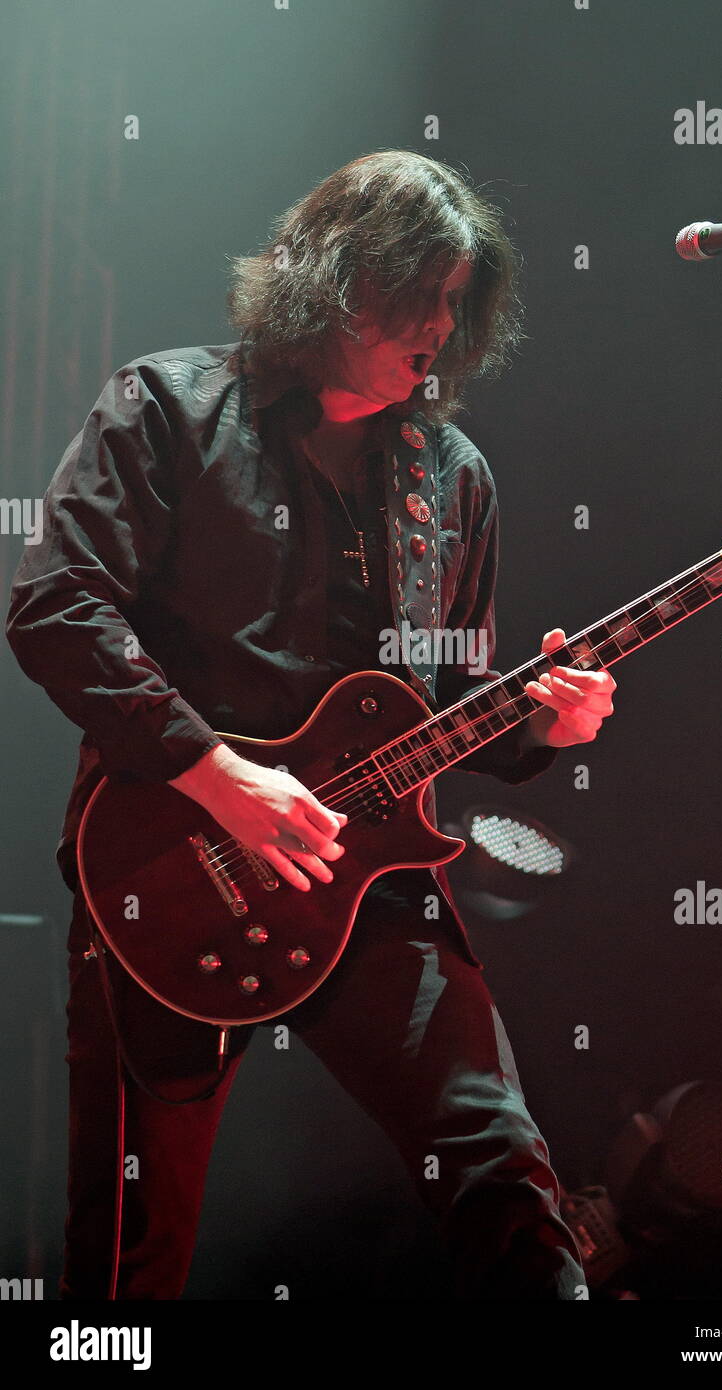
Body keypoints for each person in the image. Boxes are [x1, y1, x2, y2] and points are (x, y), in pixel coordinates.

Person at [6, 148, 615, 1300]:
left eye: (454, 299)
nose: (437, 324)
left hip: (372, 887)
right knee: (130, 1256)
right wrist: (218, 774)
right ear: (339, 280)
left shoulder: (453, 477)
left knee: (501, 1170)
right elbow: (54, 606)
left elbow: (449, 708)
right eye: (416, 292)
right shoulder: (169, 410)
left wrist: (546, 725)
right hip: (171, 873)